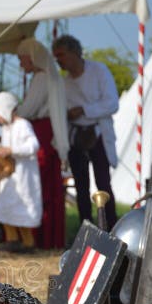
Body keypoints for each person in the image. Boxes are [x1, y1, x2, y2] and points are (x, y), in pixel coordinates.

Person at [52, 34, 119, 229]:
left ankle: (111, 229)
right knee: (81, 187)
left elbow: (112, 103)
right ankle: (86, 230)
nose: (58, 60)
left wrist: (84, 110)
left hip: (98, 134)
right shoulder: (64, 83)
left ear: (74, 53)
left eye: (61, 55)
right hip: (76, 136)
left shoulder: (99, 71)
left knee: (103, 183)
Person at [16, 38, 69, 249]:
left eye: (23, 59)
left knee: (38, 187)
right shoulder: (53, 77)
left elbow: (28, 109)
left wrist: (8, 115)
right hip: (48, 134)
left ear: (33, 57)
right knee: (50, 187)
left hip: (41, 134)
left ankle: (39, 237)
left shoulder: (41, 77)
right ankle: (50, 238)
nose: (21, 64)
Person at [0, 92, 42, 253]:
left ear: (5, 109)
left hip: (24, 176)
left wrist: (12, 150)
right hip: (10, 176)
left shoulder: (23, 125)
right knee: (5, 207)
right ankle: (12, 240)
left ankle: (28, 243)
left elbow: (34, 146)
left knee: (22, 208)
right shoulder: (6, 128)